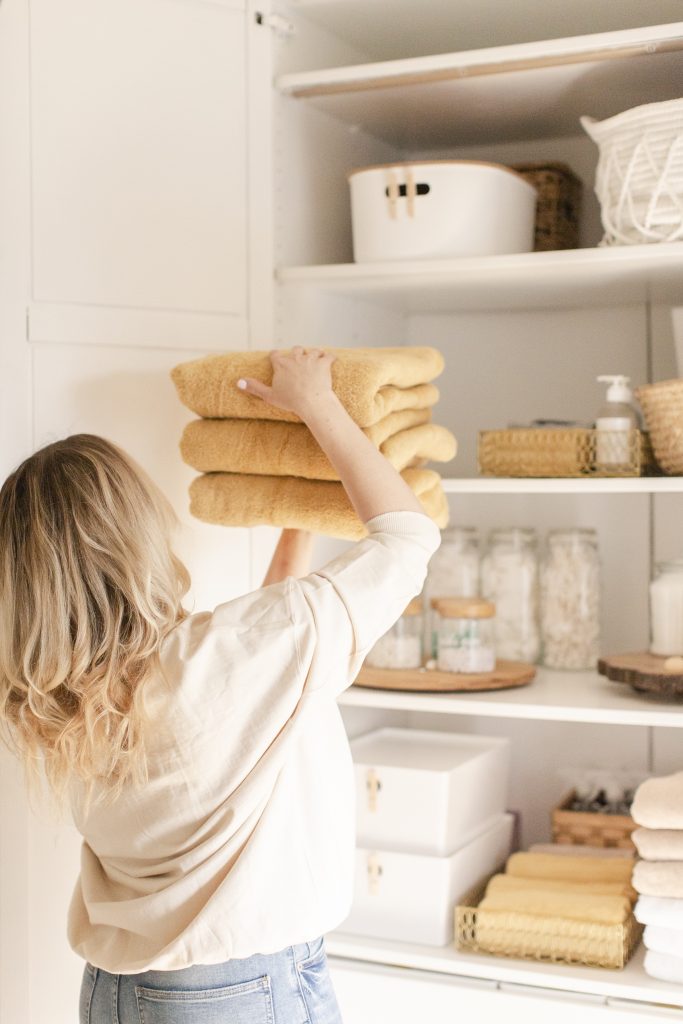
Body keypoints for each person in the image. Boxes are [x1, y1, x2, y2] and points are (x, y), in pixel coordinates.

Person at [0, 347, 441, 1023]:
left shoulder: (52, 699)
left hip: (117, 993)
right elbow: (407, 537)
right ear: (135, 534)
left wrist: (300, 514)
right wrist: (316, 403)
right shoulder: (227, 656)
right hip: (241, 993)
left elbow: (252, 682)